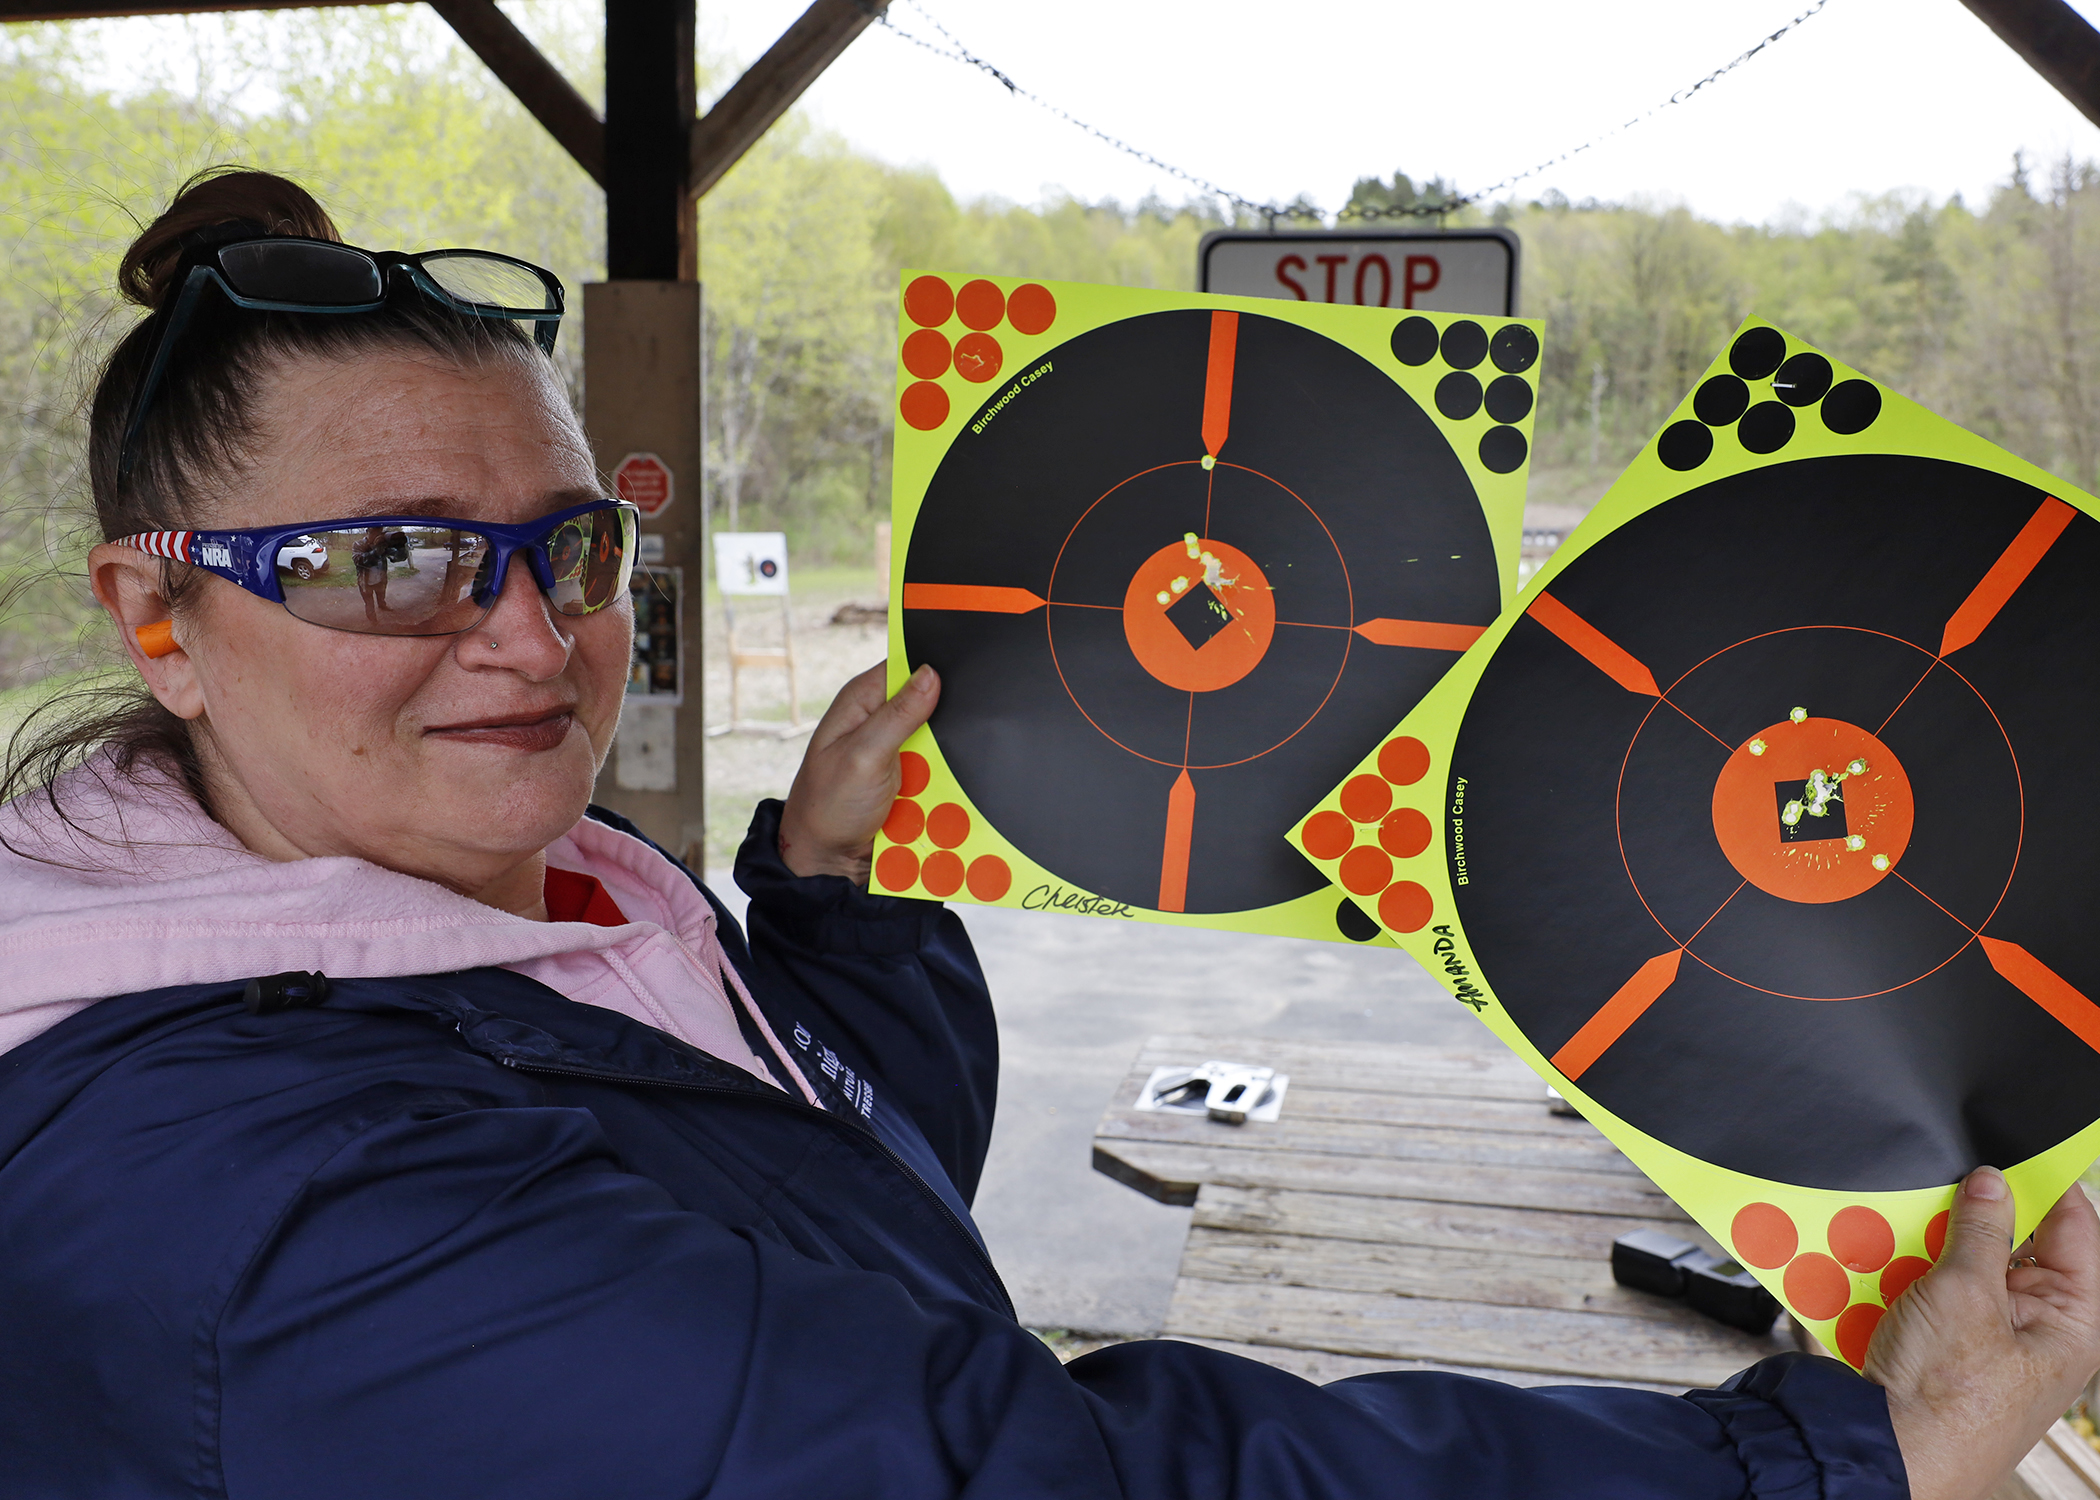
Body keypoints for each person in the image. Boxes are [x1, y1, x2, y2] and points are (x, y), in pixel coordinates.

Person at [0, 167, 2090, 1500]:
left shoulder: (502, 916)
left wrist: (827, 899)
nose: (537, 637)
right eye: (390, 560)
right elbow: (1008, 1469)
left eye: (574, 544)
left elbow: (832, 1201)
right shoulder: (263, 1202)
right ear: (159, 620)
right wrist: (1851, 1460)